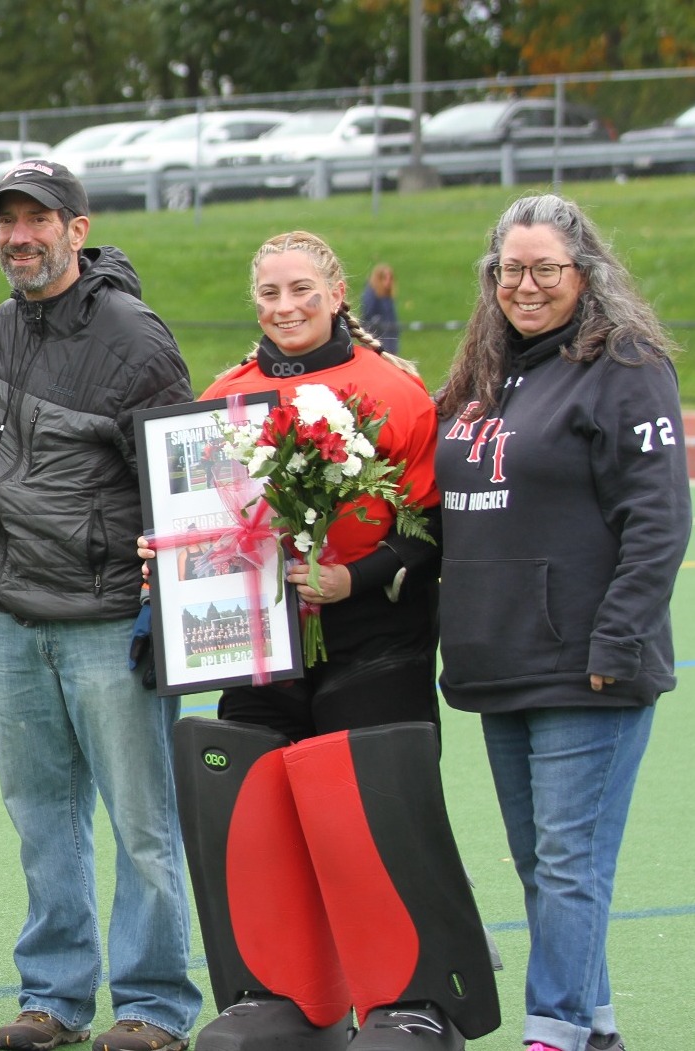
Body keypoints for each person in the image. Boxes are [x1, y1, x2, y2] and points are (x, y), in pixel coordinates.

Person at [153, 232, 499, 1051]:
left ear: (338, 291)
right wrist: (164, 556)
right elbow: (200, 523)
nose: (285, 306)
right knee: (259, 810)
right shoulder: (224, 395)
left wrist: (357, 577)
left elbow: (428, 527)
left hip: (375, 637)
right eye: (269, 292)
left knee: (369, 815)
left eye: (301, 288)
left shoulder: (393, 390)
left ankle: (412, 1000)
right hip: (257, 643)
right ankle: (286, 995)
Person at [434, 194, 688, 1051]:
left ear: (585, 272)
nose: (527, 286)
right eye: (511, 269)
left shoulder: (625, 363)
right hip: (500, 659)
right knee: (541, 864)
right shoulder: (481, 371)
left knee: (571, 862)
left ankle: (556, 1030)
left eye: (547, 269)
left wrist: (615, 643)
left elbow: (656, 519)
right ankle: (597, 1026)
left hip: (588, 665)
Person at [0, 160, 201, 1051]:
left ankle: (152, 1003)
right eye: (8, 221)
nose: (20, 236)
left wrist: (157, 608)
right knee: (41, 815)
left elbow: (177, 483)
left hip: (105, 615)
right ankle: (55, 995)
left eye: (39, 219)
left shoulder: (133, 336)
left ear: (78, 226)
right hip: (9, 612)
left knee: (142, 822)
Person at [361, 263, 400, 353]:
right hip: (378, 339)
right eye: (385, 278)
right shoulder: (371, 295)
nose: (388, 281)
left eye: (390, 278)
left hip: (389, 338)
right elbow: (368, 314)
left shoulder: (387, 296)